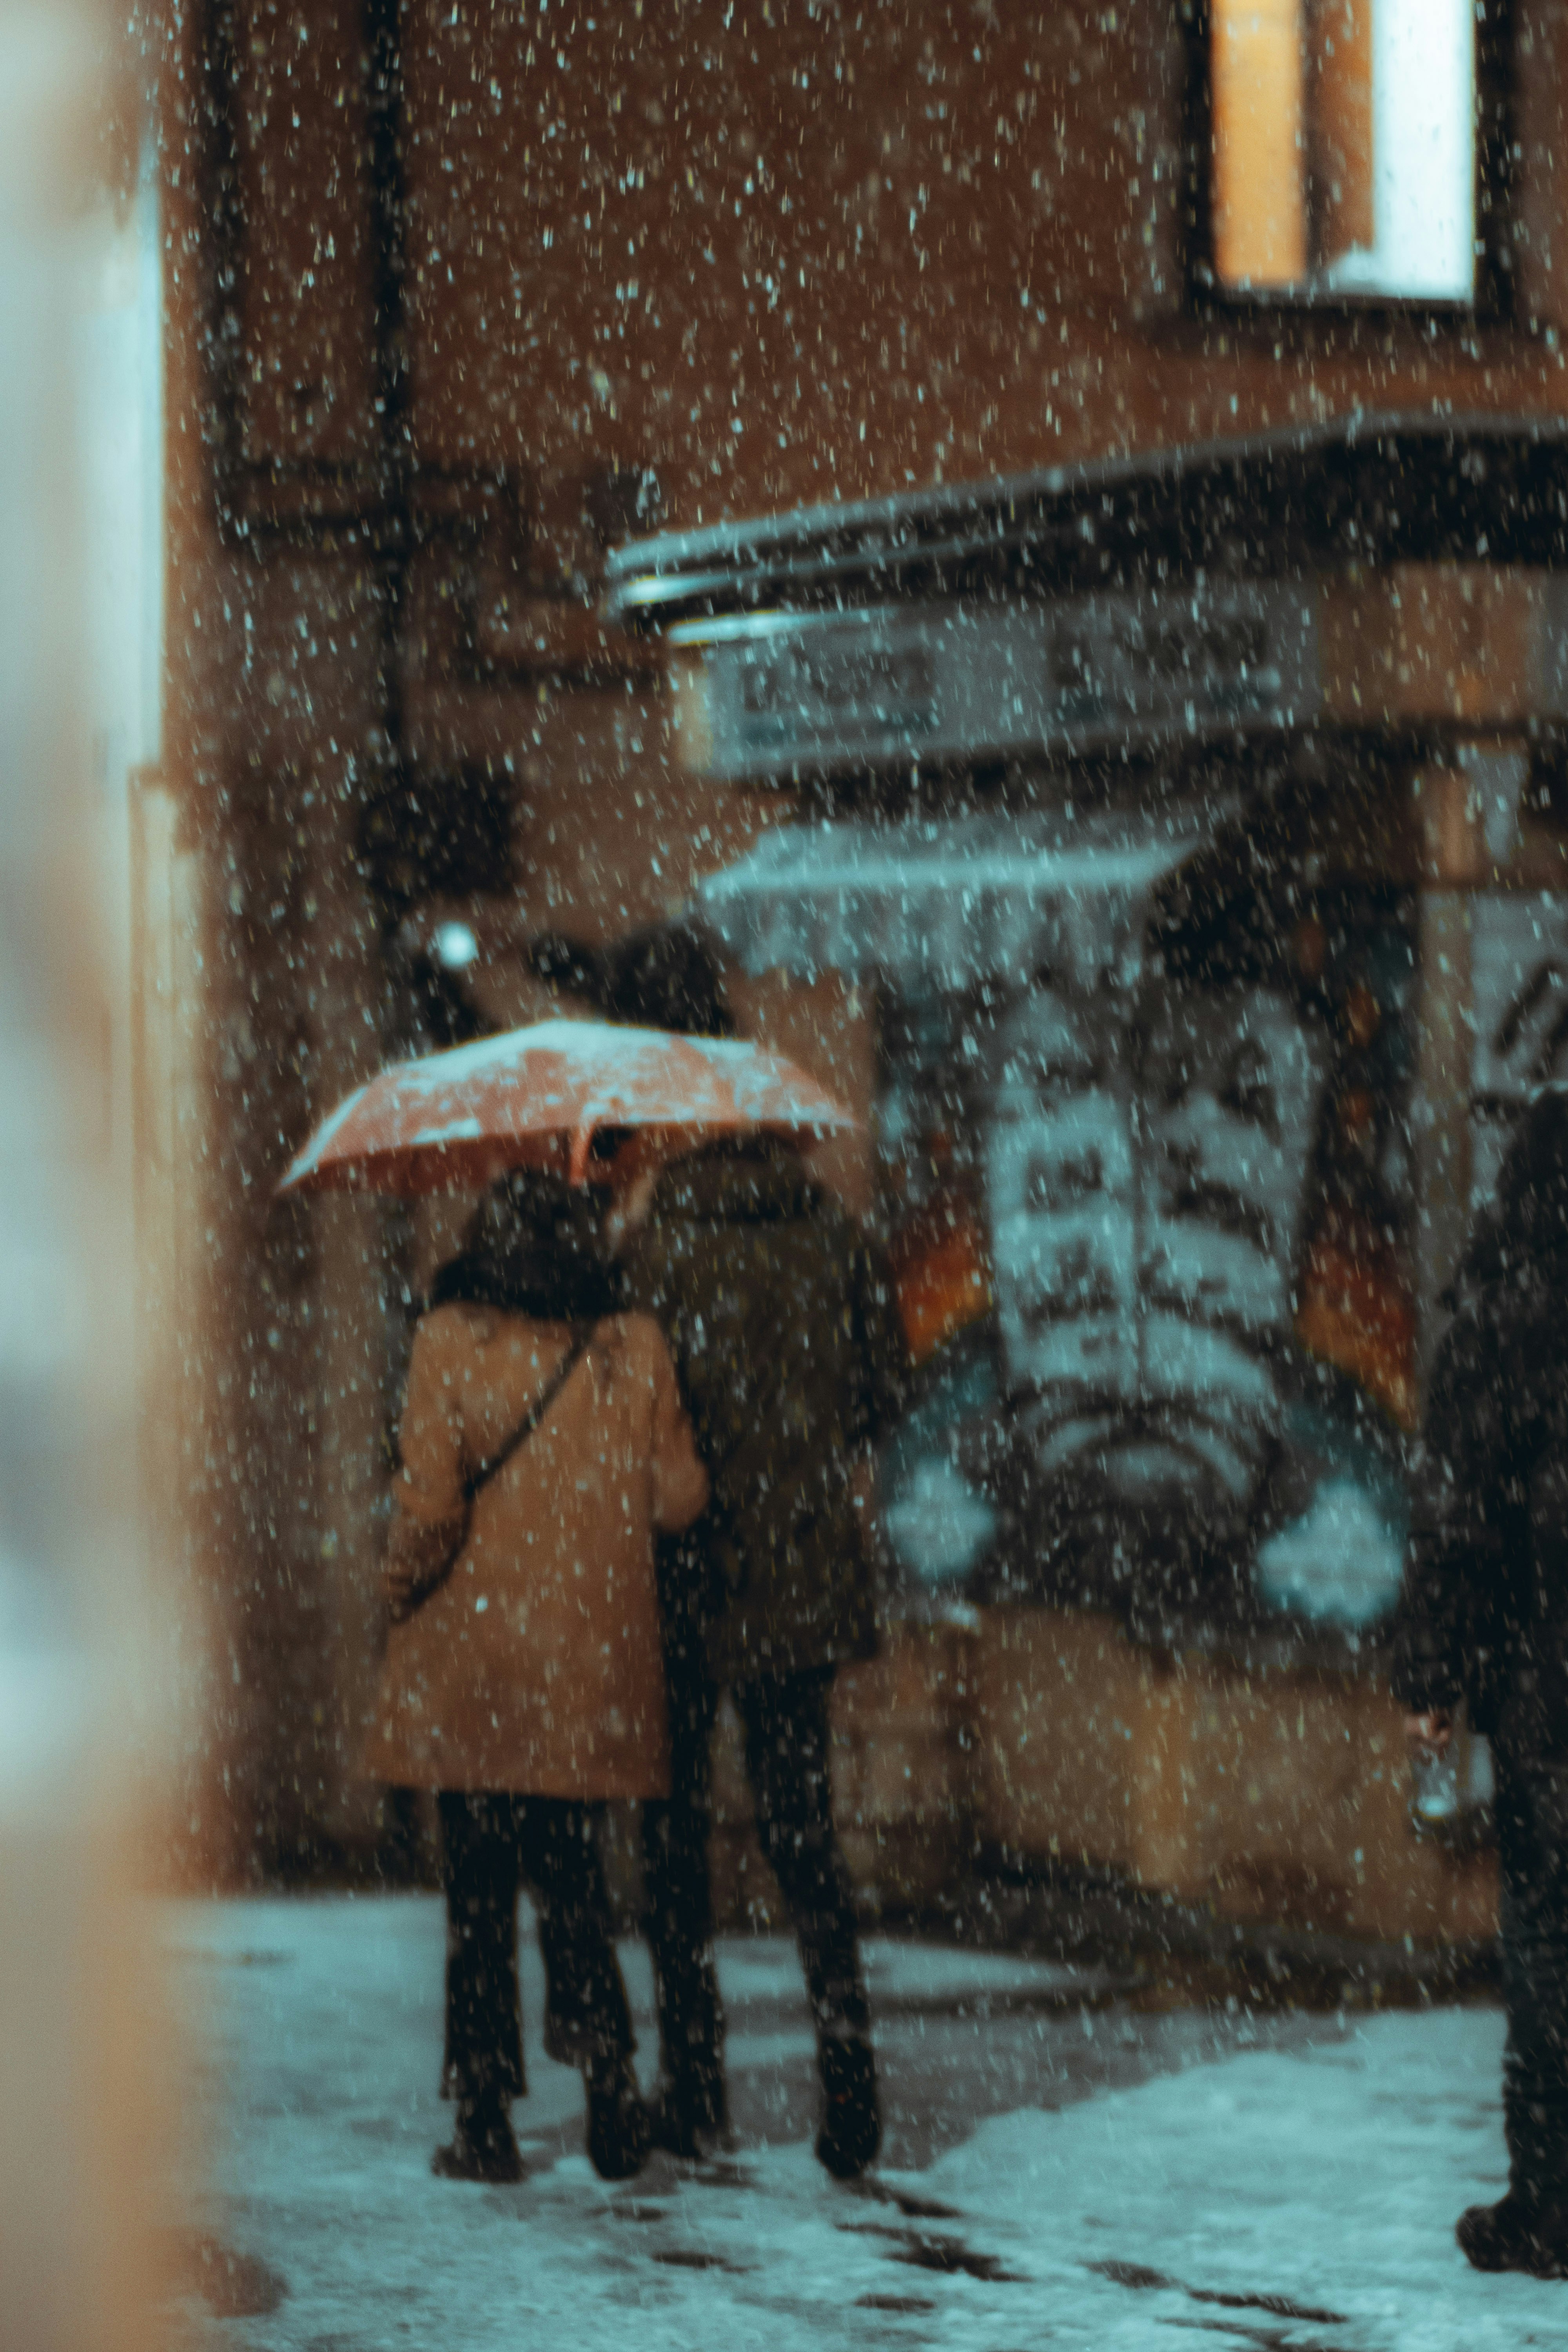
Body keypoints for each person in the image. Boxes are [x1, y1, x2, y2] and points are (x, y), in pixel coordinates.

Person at [533, 923, 912, 2176]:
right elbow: (881, 1396)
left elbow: (619, 1419)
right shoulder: (832, 1236)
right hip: (801, 1574)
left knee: (675, 1840)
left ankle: (693, 2092)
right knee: (808, 1837)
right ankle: (847, 2083)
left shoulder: (653, 1248)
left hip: (681, 1581)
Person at [370, 1171, 709, 2185]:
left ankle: (484, 2120)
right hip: (584, 1665)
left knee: (475, 1897)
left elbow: (429, 1509)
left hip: (475, 1661)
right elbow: (681, 1501)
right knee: (574, 1882)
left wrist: (392, 1589)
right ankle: (609, 2077)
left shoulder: (447, 1340)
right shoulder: (632, 1343)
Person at [1392, 1087, 1568, 2277]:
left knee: (1550, 1940)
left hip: (1546, 1679)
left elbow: (1461, 1522)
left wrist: (1432, 1676)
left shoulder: (1506, 1312)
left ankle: (1549, 2203)